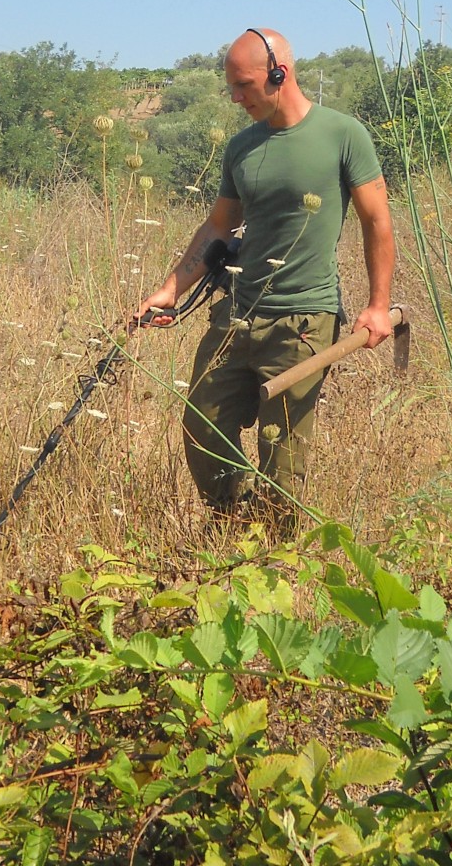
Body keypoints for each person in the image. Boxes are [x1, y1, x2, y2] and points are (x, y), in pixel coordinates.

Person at [137, 28, 395, 537]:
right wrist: (171, 287)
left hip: (301, 323)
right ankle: (236, 531)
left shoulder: (343, 135)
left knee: (282, 455)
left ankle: (277, 557)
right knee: (202, 427)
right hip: (234, 313)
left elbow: (377, 221)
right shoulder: (241, 147)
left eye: (244, 85)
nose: (236, 97)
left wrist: (378, 304)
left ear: (280, 74)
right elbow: (219, 224)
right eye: (231, 87)